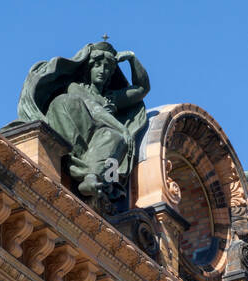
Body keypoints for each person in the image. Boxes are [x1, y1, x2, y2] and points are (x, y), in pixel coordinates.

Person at [15, 41, 151, 200]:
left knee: (113, 137)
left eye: (107, 67)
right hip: (74, 130)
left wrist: (131, 58)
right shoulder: (76, 88)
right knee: (65, 101)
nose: (102, 71)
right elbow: (95, 111)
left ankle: (92, 177)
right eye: (98, 65)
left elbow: (142, 88)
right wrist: (122, 129)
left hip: (98, 139)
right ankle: (78, 163)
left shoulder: (111, 98)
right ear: (89, 68)